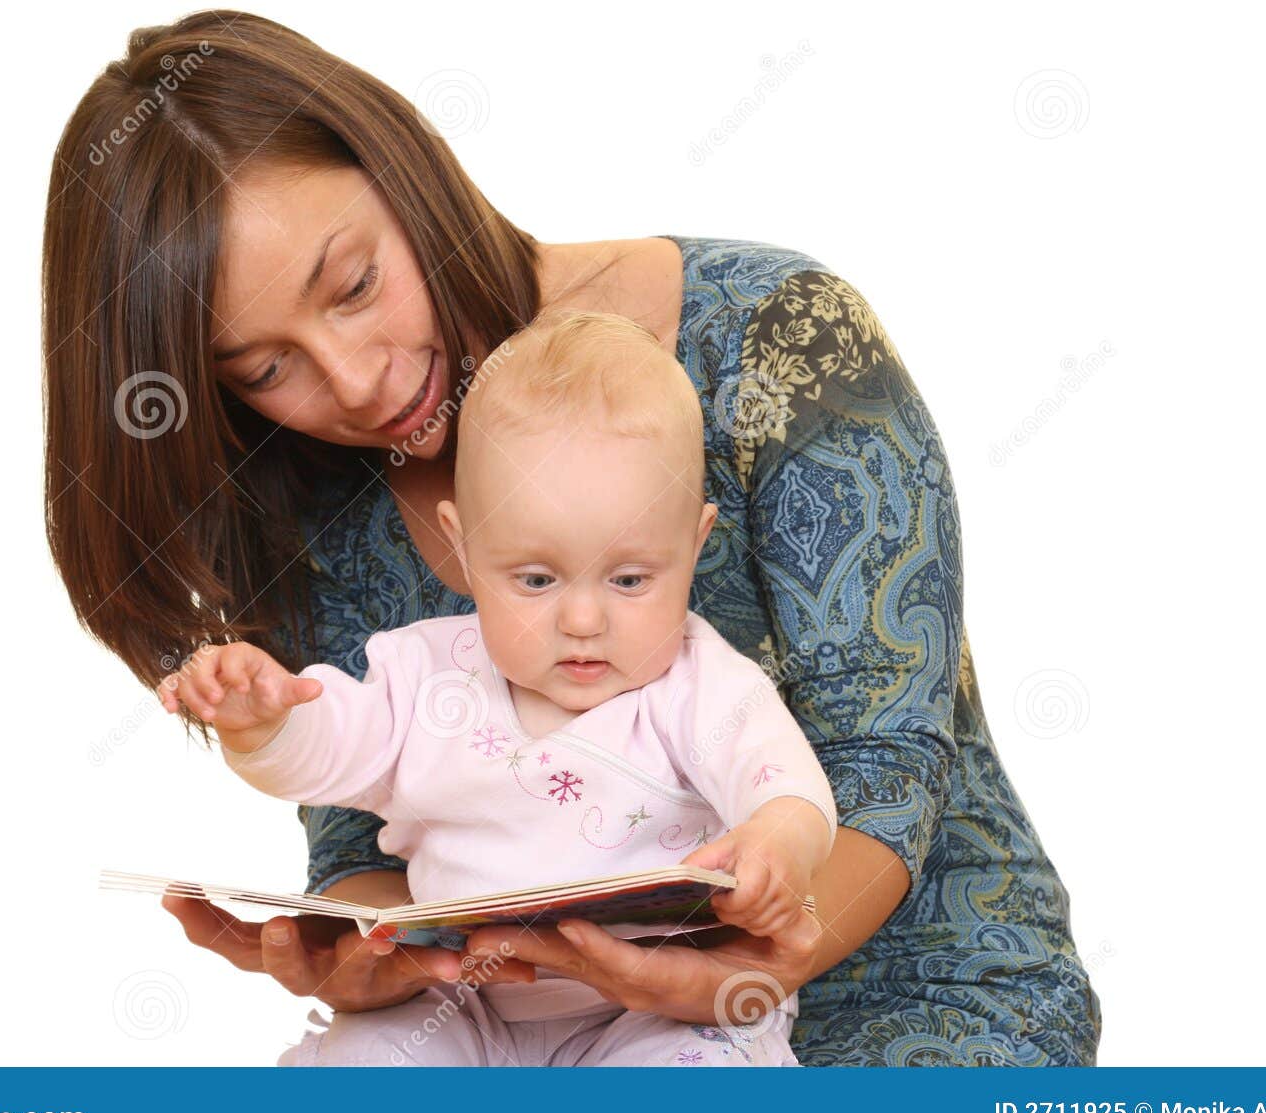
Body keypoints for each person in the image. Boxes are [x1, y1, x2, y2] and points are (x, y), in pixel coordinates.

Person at [42, 10, 1103, 1065]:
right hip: (520, 1025)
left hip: (916, 993)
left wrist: (741, 969)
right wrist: (367, 949)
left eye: (356, 284)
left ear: (404, 164)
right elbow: (362, 838)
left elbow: (882, 763)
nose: (357, 381)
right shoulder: (300, 494)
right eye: (267, 368)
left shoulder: (775, 341)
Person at [162, 311, 840, 1065]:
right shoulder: (426, 677)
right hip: (458, 1000)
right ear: (465, 546)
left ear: (694, 542)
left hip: (655, 1012)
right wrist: (262, 724)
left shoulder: (702, 684)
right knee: (365, 1062)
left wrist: (779, 844)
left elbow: (786, 784)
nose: (583, 618)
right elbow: (329, 749)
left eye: (630, 578)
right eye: (536, 579)